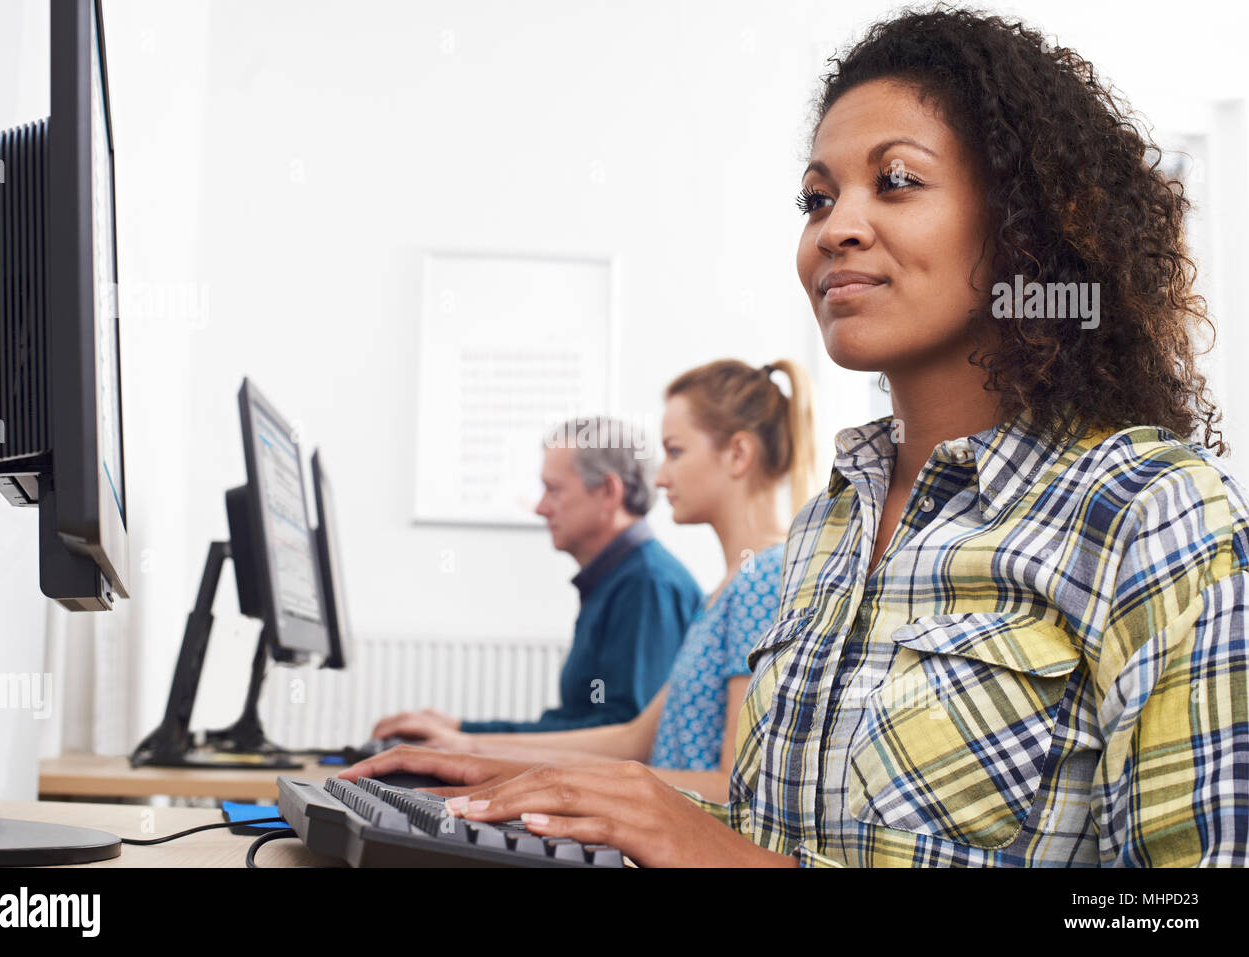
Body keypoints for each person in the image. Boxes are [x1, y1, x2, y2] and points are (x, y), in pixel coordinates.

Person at [343, 8, 1249, 867]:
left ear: (1027, 225)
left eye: (896, 181)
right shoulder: (829, 528)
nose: (837, 229)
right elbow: (776, 836)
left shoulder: (1150, 514)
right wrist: (548, 791)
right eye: (817, 198)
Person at [395, 358, 816, 803]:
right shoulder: (728, 588)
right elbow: (634, 739)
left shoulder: (763, 579)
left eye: (675, 452)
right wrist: (470, 749)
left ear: (738, 454)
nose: (659, 476)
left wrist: (527, 775)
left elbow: (734, 792)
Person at [371, 416, 702, 738]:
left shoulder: (647, 584)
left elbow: (616, 736)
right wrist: (460, 730)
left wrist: (465, 737)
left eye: (553, 490)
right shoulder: (620, 578)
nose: (540, 507)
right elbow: (587, 721)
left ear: (607, 492)